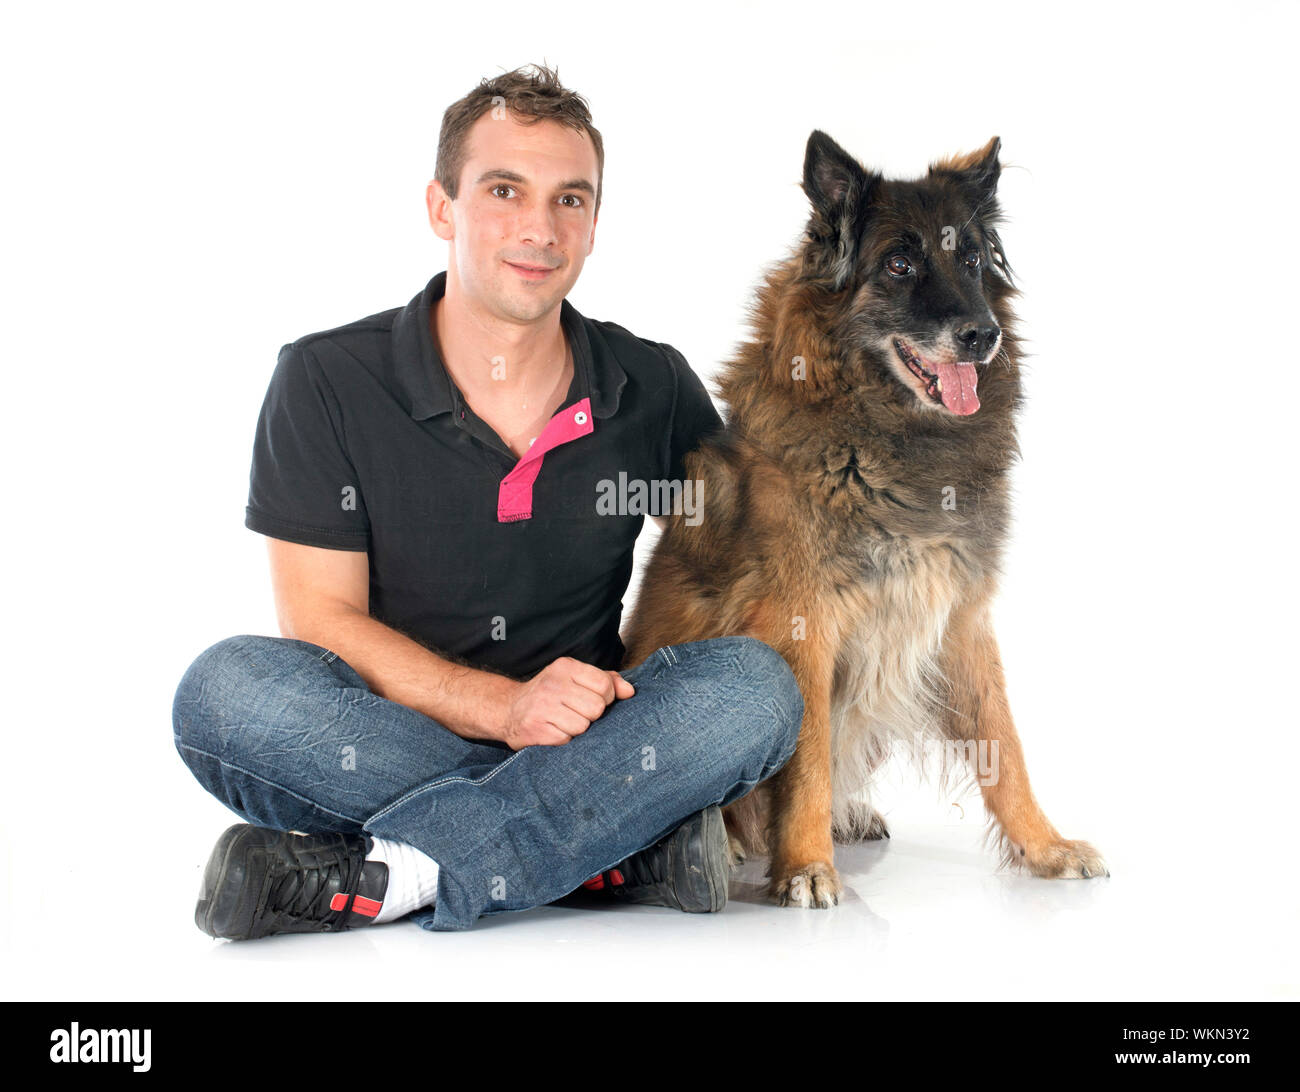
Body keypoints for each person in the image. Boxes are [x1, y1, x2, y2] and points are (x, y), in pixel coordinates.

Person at [171, 63, 803, 938]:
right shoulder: (324, 378)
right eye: (505, 190)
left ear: (593, 224)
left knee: (757, 690)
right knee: (224, 694)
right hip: (395, 734)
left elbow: (758, 556)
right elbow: (319, 619)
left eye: (570, 200)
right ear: (442, 208)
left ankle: (392, 874)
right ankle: (610, 849)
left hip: (593, 731)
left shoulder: (648, 382)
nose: (539, 229)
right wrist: (506, 713)